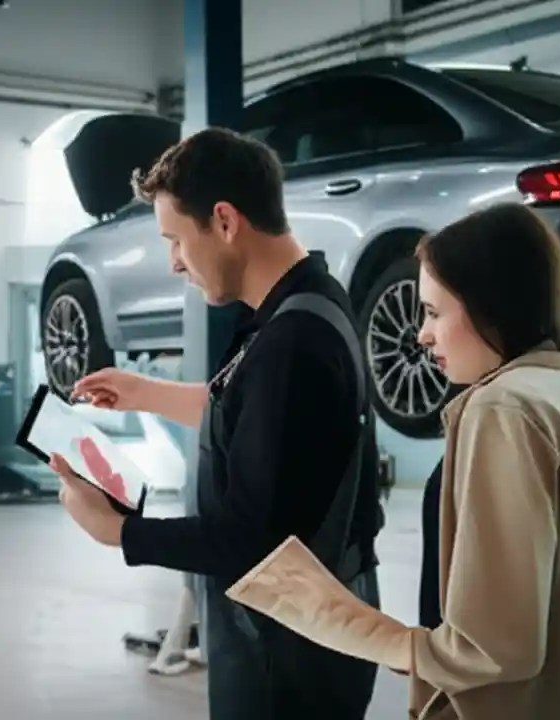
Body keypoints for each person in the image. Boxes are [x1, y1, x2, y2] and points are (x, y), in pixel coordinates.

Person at [224, 202, 560, 720]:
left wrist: (330, 612)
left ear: (489, 305)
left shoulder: (505, 409)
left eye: (433, 312)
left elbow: (490, 650)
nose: (422, 335)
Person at [45, 126, 385, 719]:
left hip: (288, 659)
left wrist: (119, 533)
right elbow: (260, 417)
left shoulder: (292, 342)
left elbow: (250, 539)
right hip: (307, 637)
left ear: (225, 222)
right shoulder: (307, 305)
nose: (174, 263)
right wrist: (145, 393)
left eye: (175, 240)